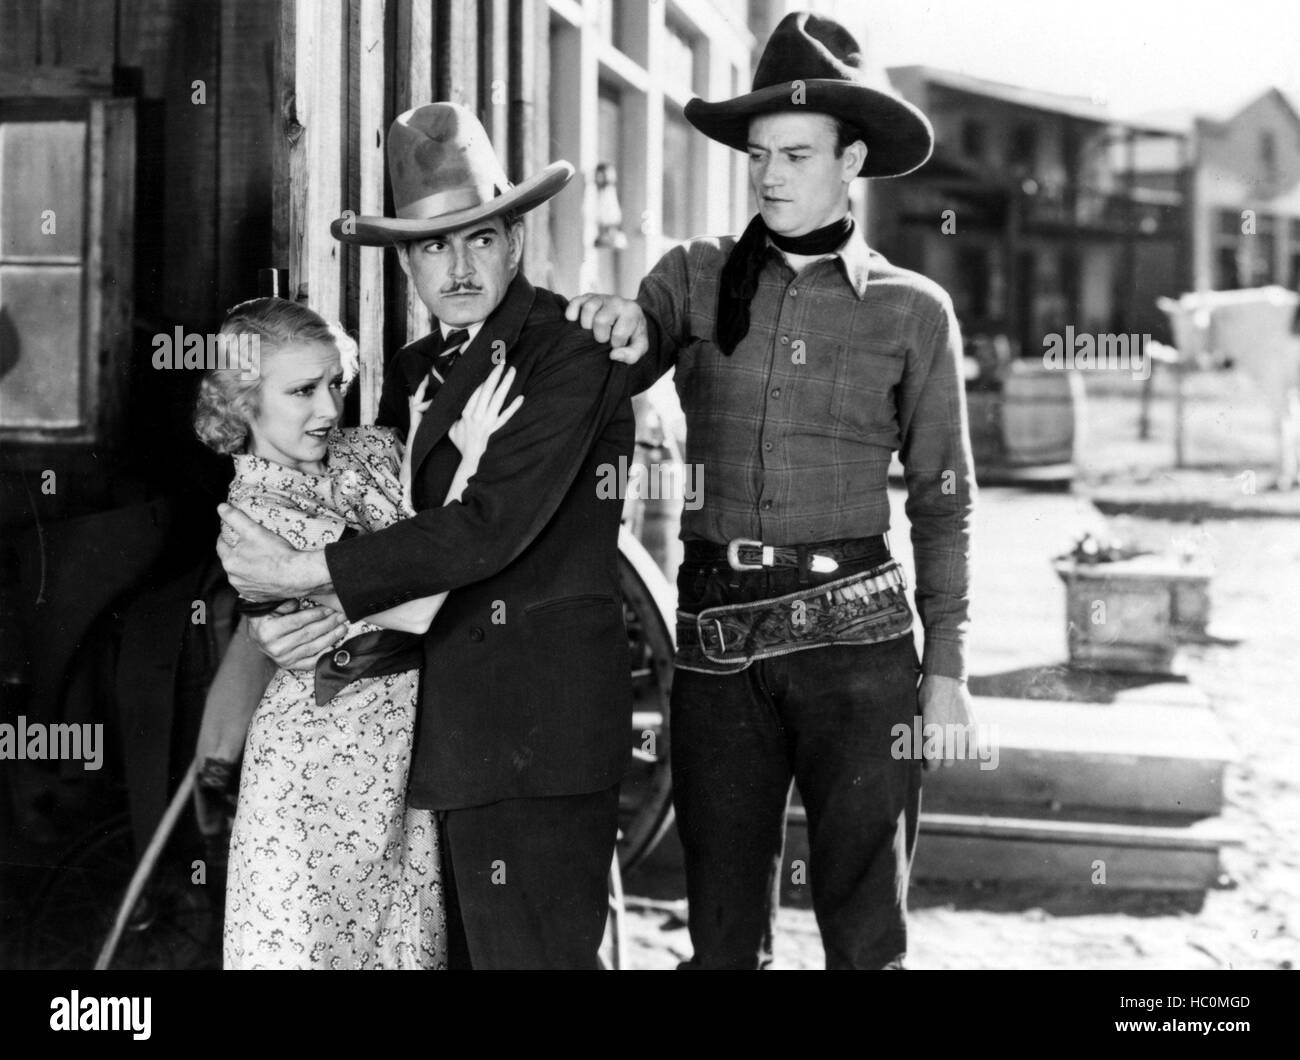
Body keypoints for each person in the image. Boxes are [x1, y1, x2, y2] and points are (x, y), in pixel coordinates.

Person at [566, 11, 977, 969]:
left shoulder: (914, 312)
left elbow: (944, 499)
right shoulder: (692, 277)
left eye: (796, 154)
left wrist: (947, 673)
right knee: (720, 943)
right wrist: (613, 326)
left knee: (866, 938)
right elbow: (629, 353)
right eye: (759, 155)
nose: (770, 176)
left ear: (853, 160)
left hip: (862, 651)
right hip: (715, 649)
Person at [214, 103, 635, 969]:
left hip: (533, 738)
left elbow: (485, 530)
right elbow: (375, 522)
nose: (459, 265)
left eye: (479, 237)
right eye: (433, 245)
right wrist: (279, 609)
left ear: (514, 237)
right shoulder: (409, 374)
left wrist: (306, 574)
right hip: (424, 746)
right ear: (405, 259)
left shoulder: (566, 353)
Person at [193, 296, 521, 969]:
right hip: (315, 764)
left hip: (399, 753)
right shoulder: (257, 513)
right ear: (242, 401)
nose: (327, 409)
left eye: (334, 383)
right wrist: (472, 469)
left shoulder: (367, 449)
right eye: (302, 391)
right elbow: (418, 608)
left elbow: (417, 548)